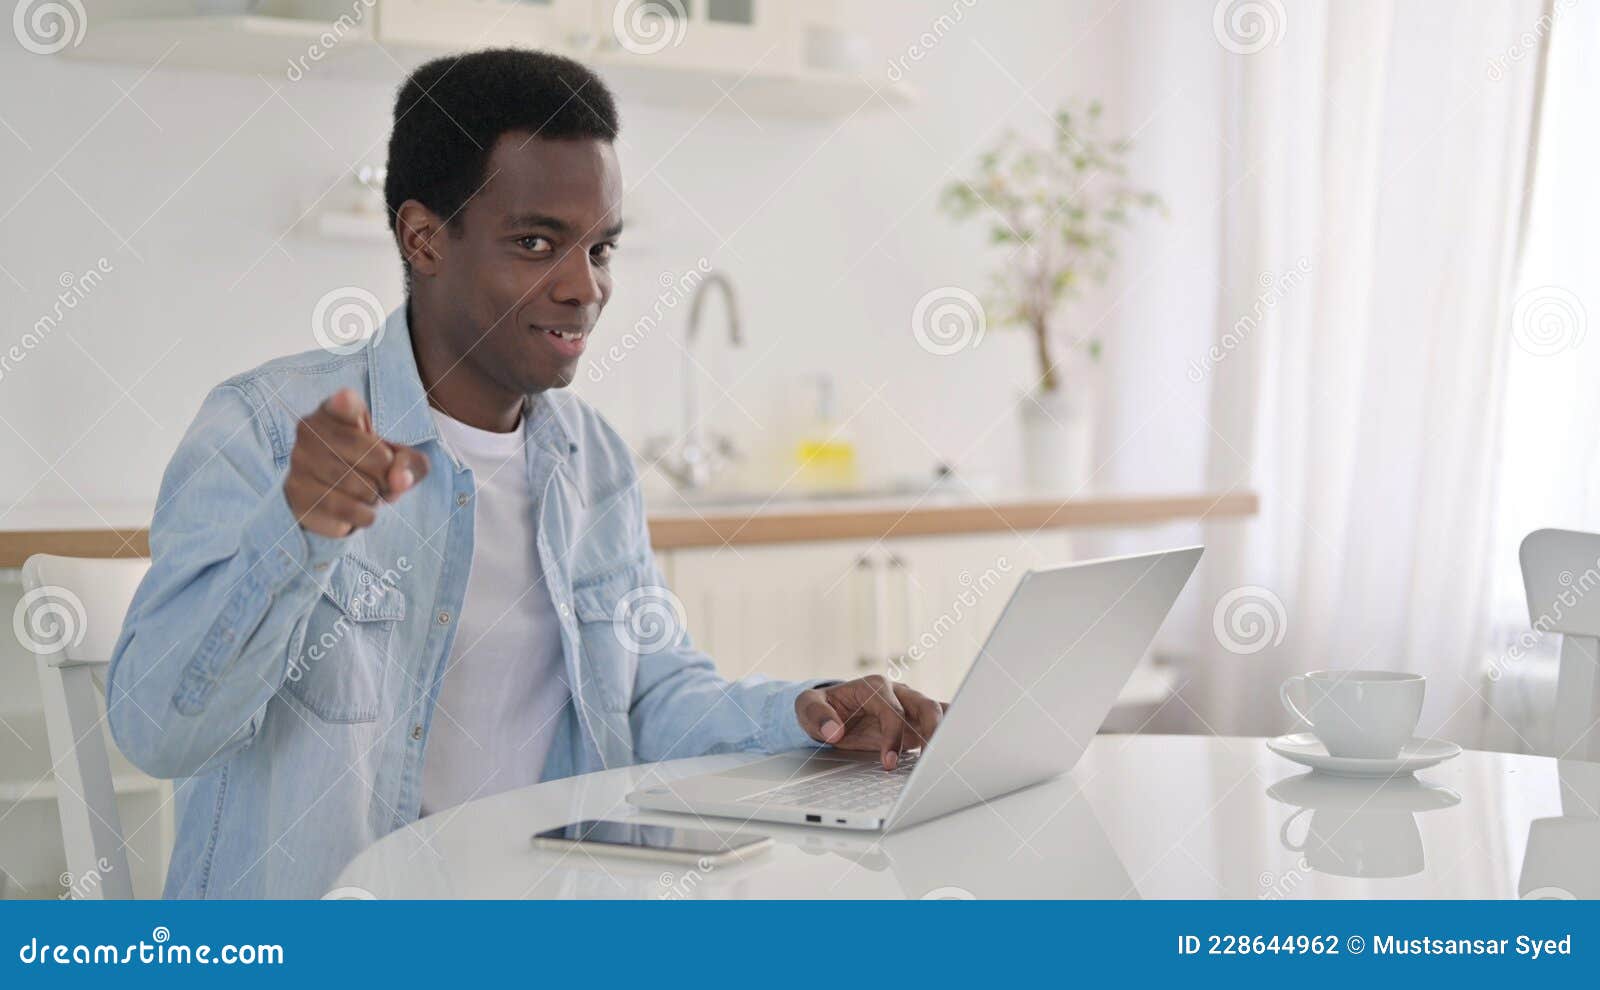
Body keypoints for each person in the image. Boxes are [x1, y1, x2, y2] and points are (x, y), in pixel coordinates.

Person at [106, 48, 944, 899]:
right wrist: (294, 534)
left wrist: (812, 711)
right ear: (424, 237)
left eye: (601, 249)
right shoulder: (265, 429)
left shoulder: (592, 460)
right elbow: (159, 733)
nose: (585, 288)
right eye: (537, 242)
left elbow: (651, 699)